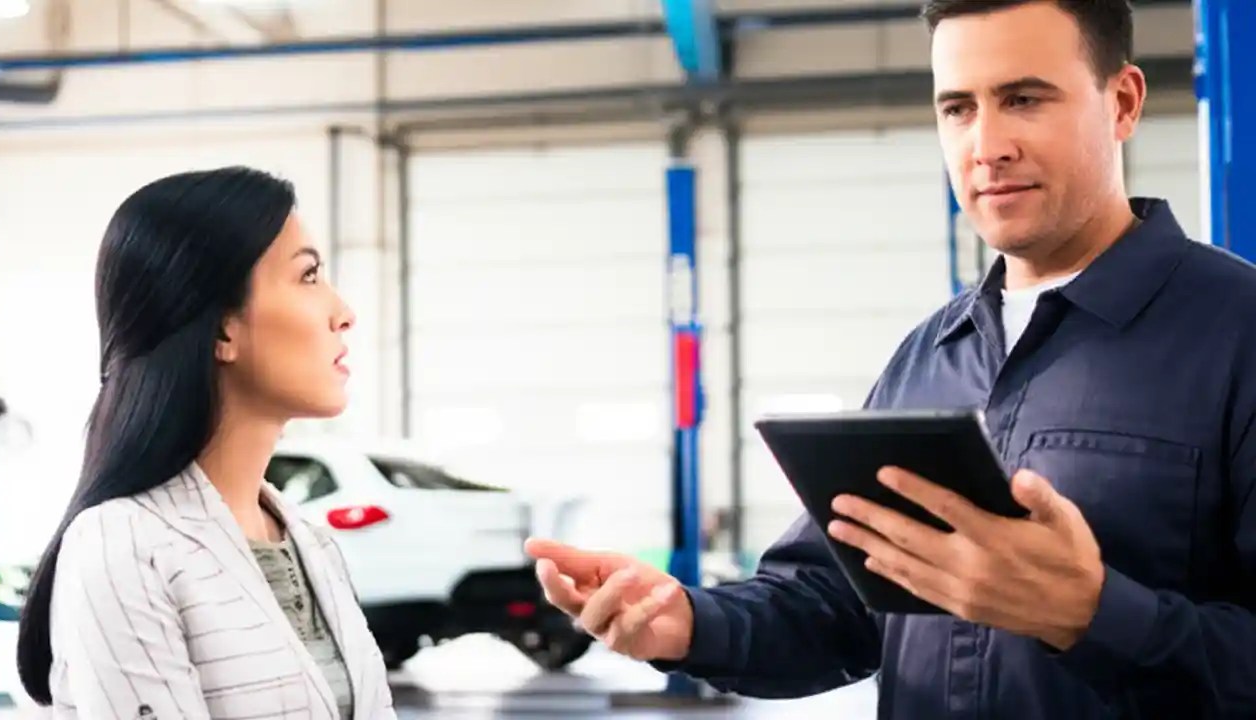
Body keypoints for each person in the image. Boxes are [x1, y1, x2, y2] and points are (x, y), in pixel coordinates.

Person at [526, 1, 1256, 717]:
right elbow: (836, 608)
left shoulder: (1236, 334)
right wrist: (689, 623)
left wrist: (1092, 615)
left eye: (1024, 99)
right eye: (958, 108)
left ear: (1122, 102)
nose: (986, 145)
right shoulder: (927, 356)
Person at [14, 167, 396, 719]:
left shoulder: (312, 546)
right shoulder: (125, 545)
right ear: (223, 329)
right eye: (309, 276)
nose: (344, 312)